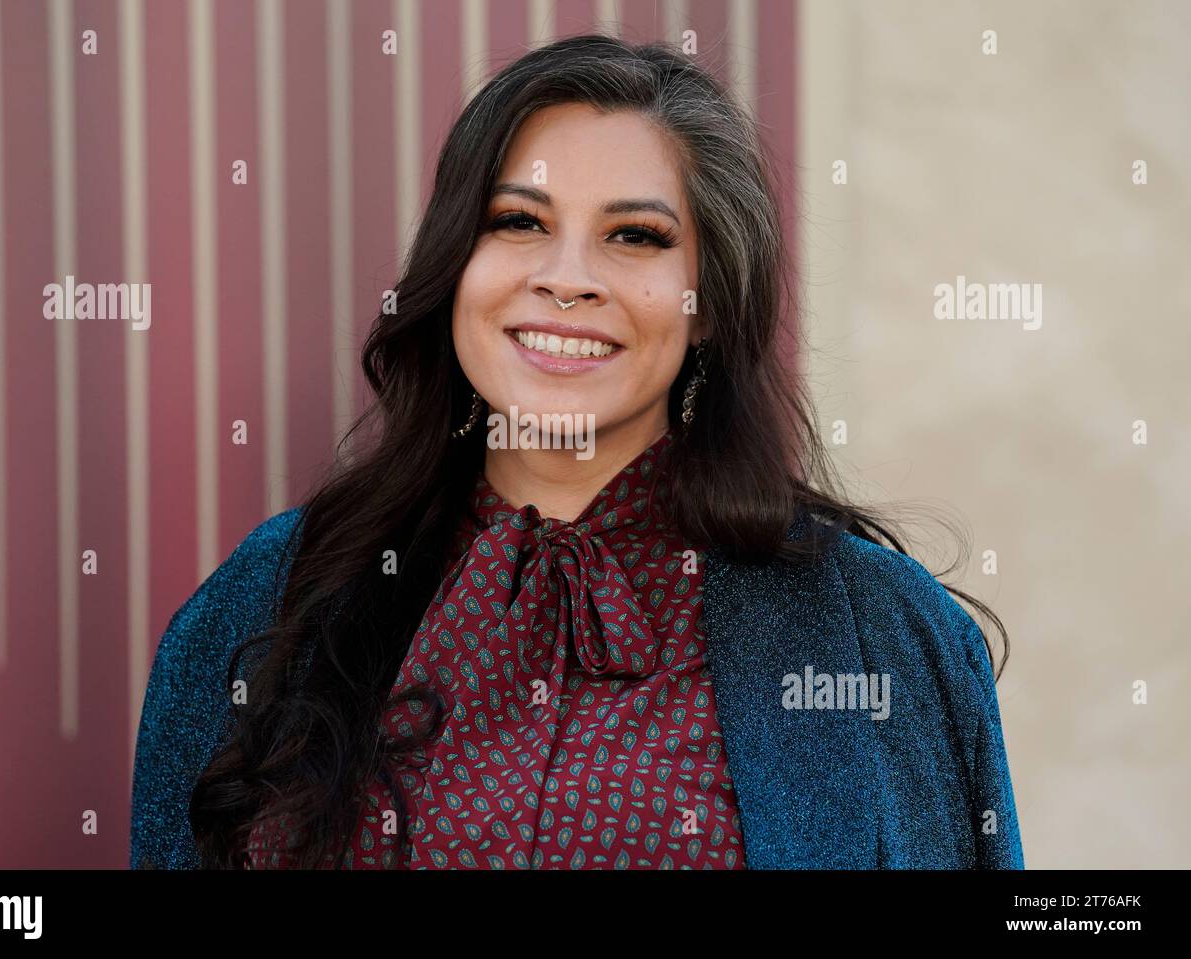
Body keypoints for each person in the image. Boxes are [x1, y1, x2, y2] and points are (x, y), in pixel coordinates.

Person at [130, 34, 1023, 870]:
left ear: (707, 302)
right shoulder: (266, 602)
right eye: (518, 221)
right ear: (456, 267)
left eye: (634, 236)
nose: (566, 277)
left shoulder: (879, 638)